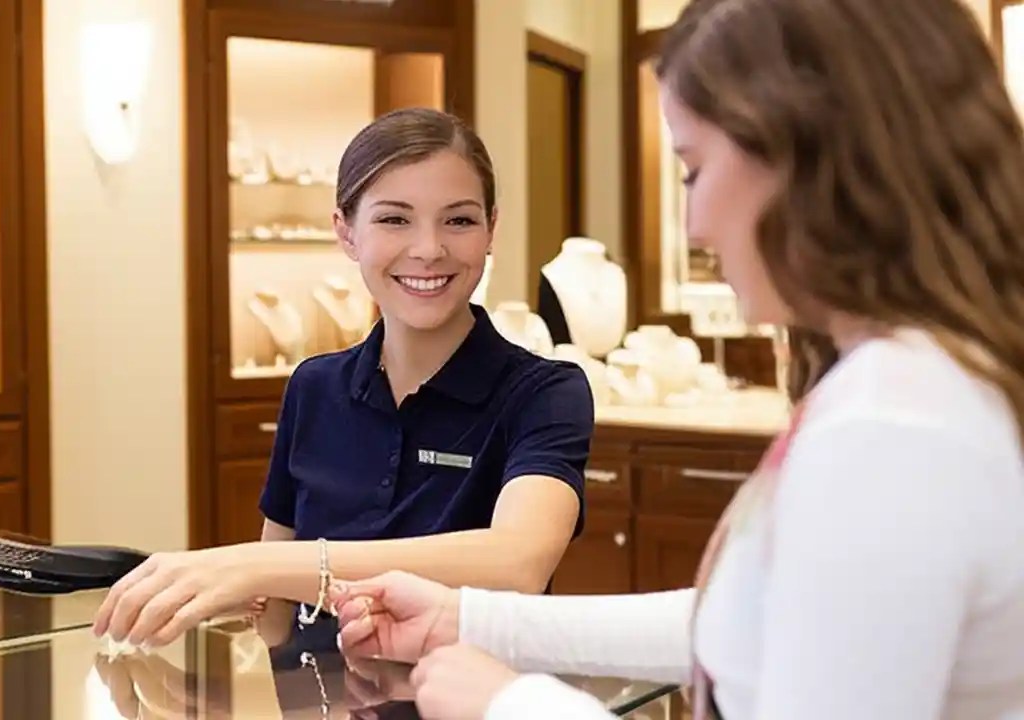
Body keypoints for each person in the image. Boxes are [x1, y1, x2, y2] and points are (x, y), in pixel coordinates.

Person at [330, 1, 1024, 718]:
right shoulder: (913, 386)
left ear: (805, 159)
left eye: (693, 170)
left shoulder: (893, 429)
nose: (693, 223)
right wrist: (470, 621)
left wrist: (512, 705)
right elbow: (754, 619)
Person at [92, 107, 595, 650]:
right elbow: (276, 620)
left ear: (491, 229)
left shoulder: (545, 393)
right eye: (394, 219)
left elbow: (517, 560)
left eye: (459, 220)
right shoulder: (313, 387)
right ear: (346, 232)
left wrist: (258, 565)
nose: (429, 248)